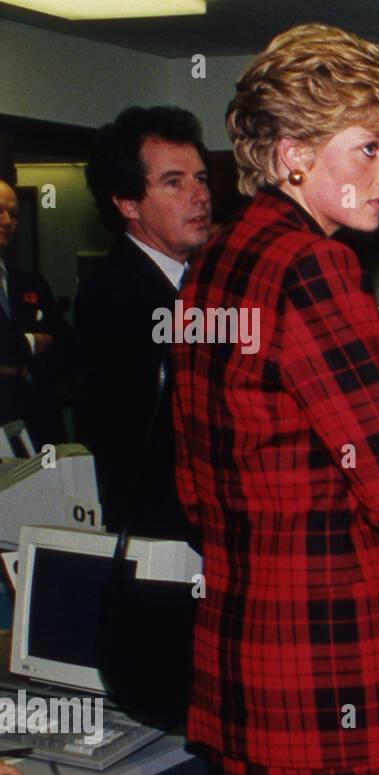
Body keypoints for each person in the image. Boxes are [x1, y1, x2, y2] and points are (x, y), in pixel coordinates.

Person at [170, 23, 379, 775]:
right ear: (292, 157)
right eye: (369, 149)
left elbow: (191, 480)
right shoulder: (315, 266)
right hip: (334, 665)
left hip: (244, 658)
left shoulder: (209, 265)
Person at [77, 106, 212, 538]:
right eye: (174, 182)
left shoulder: (209, 282)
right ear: (127, 202)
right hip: (159, 533)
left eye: (201, 178)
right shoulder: (112, 295)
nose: (199, 196)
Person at [0, 179, 73, 450]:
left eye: (14, 214)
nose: (7, 221)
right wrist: (32, 343)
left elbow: (67, 348)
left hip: (40, 428)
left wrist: (14, 367)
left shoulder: (31, 283)